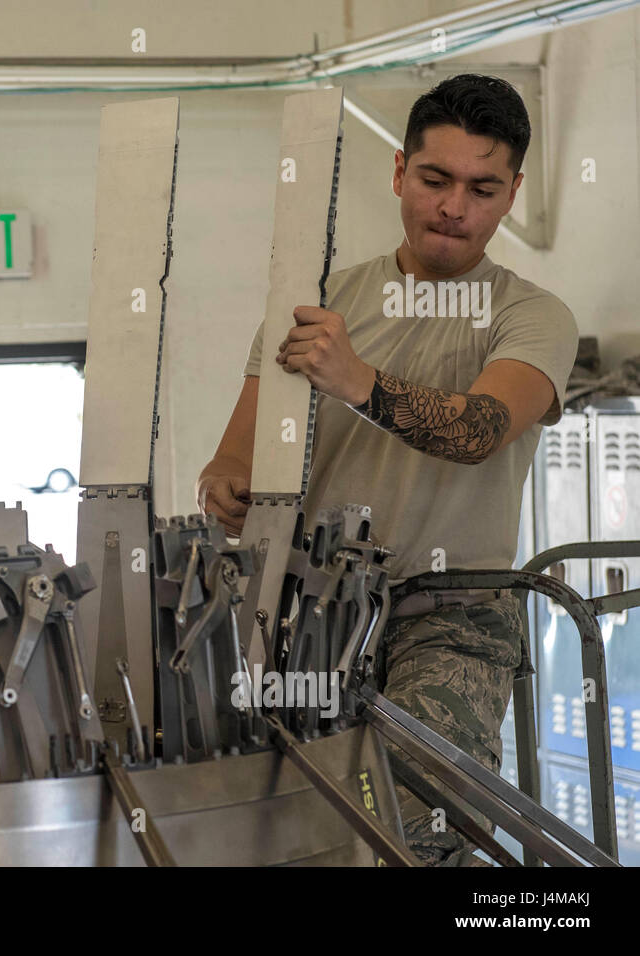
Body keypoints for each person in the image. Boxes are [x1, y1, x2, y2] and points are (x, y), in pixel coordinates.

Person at [196, 74, 578, 865]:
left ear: (511, 196)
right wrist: (227, 488)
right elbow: (235, 457)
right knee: (294, 828)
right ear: (400, 172)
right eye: (435, 180)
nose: (453, 207)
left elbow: (479, 430)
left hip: (453, 615)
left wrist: (356, 380)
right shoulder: (316, 303)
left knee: (417, 827)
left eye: (482, 187)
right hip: (309, 607)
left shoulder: (532, 316)